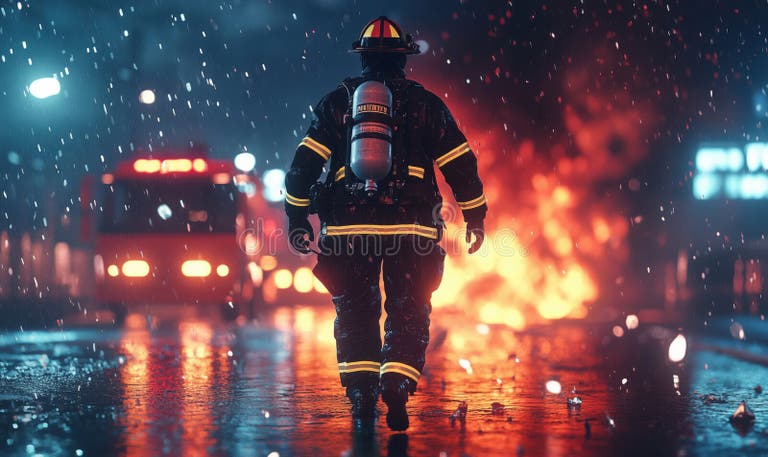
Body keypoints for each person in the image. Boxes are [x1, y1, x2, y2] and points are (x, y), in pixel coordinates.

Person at [284, 16, 487, 432]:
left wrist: (296, 216)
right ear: (403, 60)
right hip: (411, 231)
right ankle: (395, 382)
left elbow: (304, 165)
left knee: (355, 313)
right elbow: (459, 163)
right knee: (408, 310)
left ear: (361, 58)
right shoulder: (425, 104)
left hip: (347, 230)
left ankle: (360, 394)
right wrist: (475, 215)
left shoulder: (337, 103)